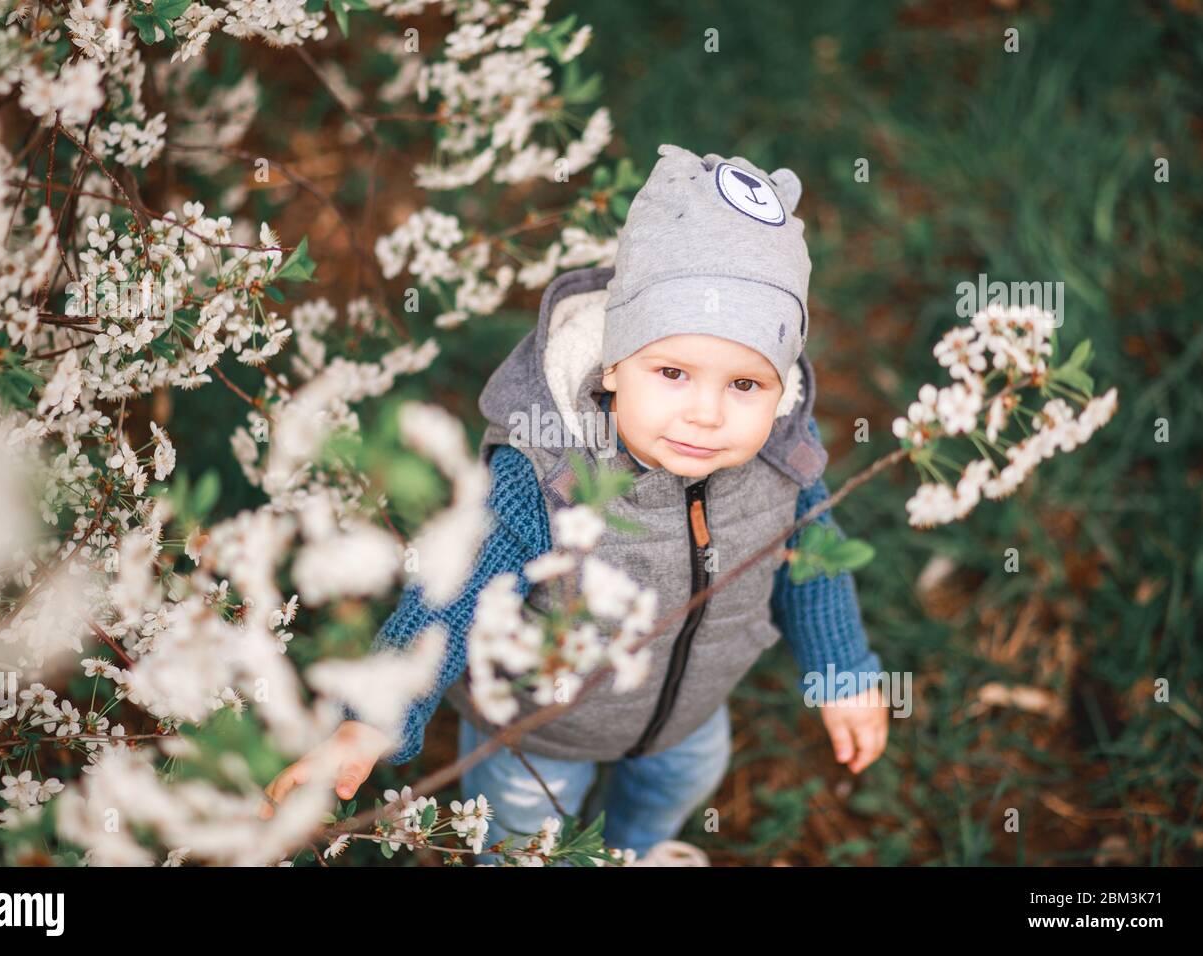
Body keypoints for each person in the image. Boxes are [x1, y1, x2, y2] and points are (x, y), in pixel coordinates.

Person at [263, 143, 889, 865]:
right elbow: (450, 596)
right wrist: (367, 723)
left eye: (744, 385)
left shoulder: (780, 456)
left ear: (782, 387)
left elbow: (813, 561)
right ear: (615, 367)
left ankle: (633, 850)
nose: (707, 414)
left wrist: (843, 673)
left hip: (687, 716)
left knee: (680, 782)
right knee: (527, 840)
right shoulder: (548, 472)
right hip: (540, 732)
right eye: (674, 372)